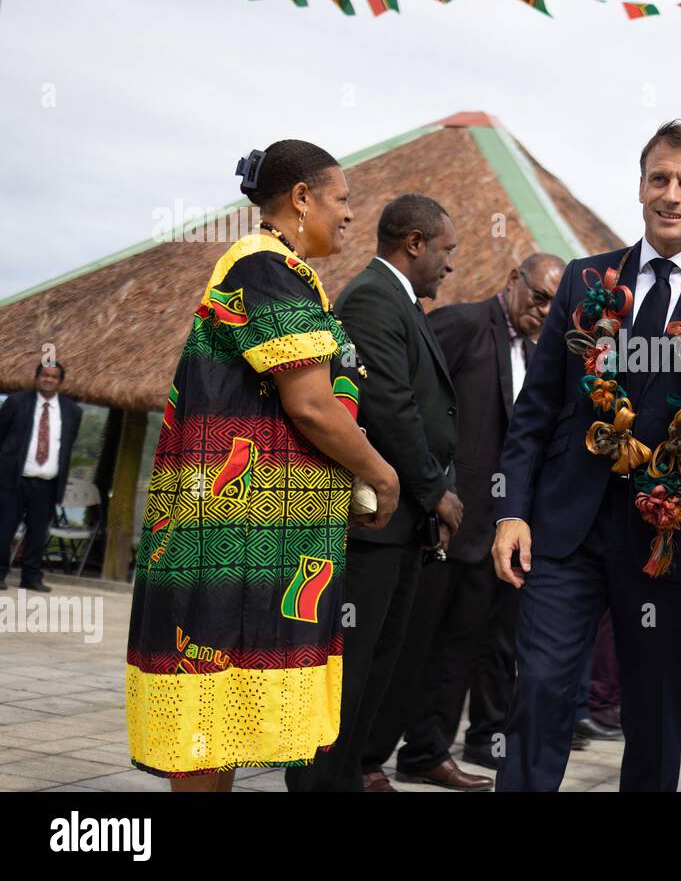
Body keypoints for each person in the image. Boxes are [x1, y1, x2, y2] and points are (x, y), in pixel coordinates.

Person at [493, 120, 681, 791]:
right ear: (642, 185)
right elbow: (535, 410)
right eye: (660, 178)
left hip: (670, 543)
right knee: (537, 690)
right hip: (565, 532)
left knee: (653, 718)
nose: (672, 194)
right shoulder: (584, 281)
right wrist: (511, 509)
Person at [126, 140, 399, 790]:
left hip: (241, 532)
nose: (351, 216)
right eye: (342, 199)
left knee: (212, 716)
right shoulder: (264, 266)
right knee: (202, 713)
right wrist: (383, 475)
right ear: (301, 199)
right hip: (226, 532)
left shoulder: (275, 272)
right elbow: (310, 406)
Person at [361, 252, 564, 788]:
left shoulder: (544, 355)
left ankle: (427, 753)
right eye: (539, 296)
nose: (544, 311)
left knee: (458, 651)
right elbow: (404, 401)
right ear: (512, 280)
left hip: (494, 532)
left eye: (554, 303)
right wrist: (432, 488)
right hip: (439, 521)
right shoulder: (461, 324)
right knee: (408, 645)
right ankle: (364, 760)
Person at [286, 193, 461, 793]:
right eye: (446, 250)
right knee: (347, 670)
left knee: (377, 670)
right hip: (369, 526)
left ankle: (345, 779)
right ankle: (316, 786)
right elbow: (390, 406)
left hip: (401, 526)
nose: (450, 264)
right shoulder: (371, 298)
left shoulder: (403, 303)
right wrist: (436, 490)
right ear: (414, 243)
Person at [0, 361, 83, 591]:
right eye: (44, 375)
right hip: (13, 481)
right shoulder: (16, 403)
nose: (49, 379)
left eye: (54, 376)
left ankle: (32, 578)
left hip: (47, 484)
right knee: (4, 528)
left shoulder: (72, 412)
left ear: (60, 382)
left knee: (37, 533)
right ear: (37, 377)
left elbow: (66, 446)